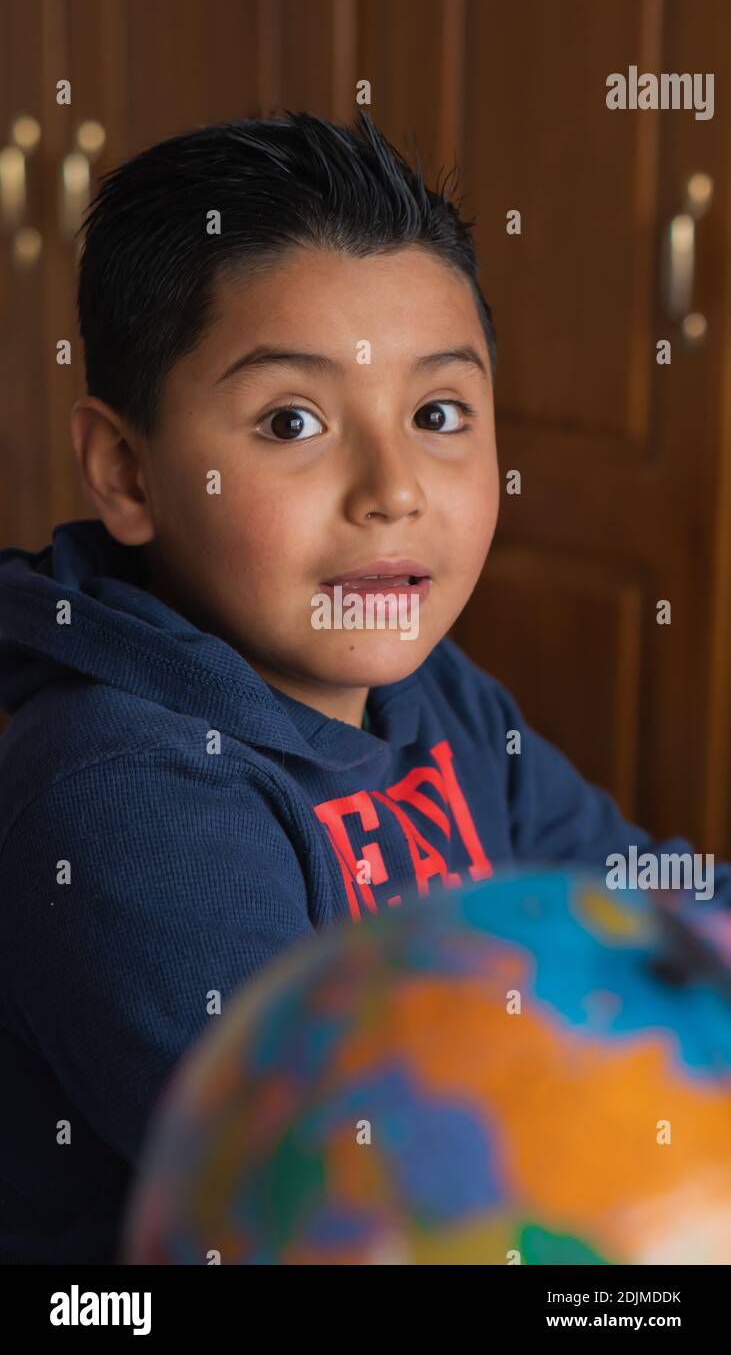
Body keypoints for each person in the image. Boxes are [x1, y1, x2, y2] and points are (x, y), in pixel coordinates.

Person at [0, 111, 726, 1264]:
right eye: (293, 421)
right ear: (127, 471)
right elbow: (334, 1201)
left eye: (437, 414)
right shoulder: (123, 799)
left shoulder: (435, 699)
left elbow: (648, 918)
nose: (391, 489)